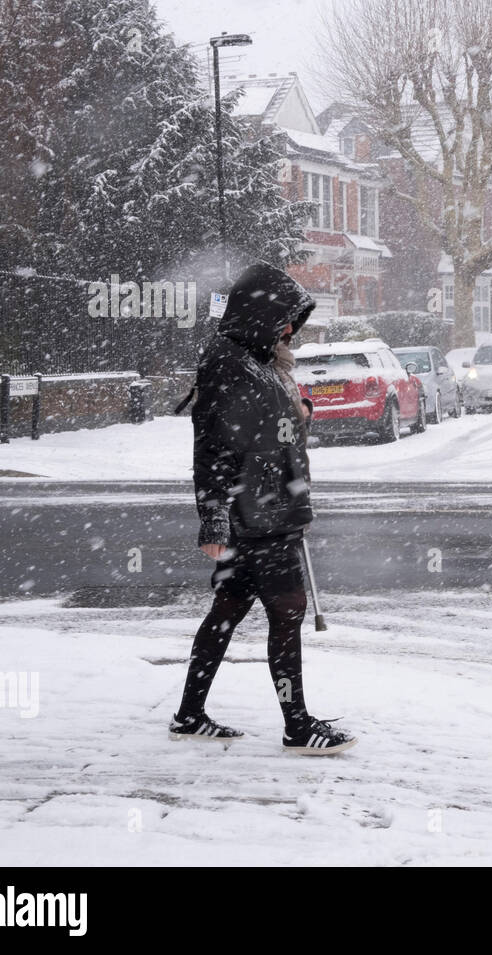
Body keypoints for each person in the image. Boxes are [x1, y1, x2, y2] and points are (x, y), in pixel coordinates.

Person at [171, 261, 356, 755]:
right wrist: (212, 516)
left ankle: (190, 714)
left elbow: (266, 431)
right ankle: (298, 727)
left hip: (267, 508)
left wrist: (298, 417)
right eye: (284, 318)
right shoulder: (228, 362)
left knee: (228, 610)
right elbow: (212, 444)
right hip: (256, 514)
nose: (291, 329)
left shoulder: (258, 360)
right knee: (288, 611)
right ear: (259, 314)